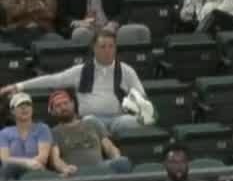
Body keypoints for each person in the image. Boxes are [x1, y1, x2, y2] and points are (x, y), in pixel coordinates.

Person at [2, 28, 150, 134]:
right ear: (94, 48)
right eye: (103, 46)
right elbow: (53, 80)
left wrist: (137, 107)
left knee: (137, 121)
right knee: (90, 122)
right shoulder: (80, 71)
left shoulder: (126, 70)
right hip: (92, 120)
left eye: (111, 46)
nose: (107, 50)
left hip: (118, 120)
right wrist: (19, 86)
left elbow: (142, 97)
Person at [47, 90, 132, 176]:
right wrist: (65, 168)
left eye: (66, 103)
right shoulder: (54, 132)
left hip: (101, 168)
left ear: (73, 103)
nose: (63, 107)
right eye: (58, 106)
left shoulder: (92, 123)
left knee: (122, 162)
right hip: (77, 171)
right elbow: (55, 159)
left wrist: (116, 158)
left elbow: (109, 147)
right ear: (53, 111)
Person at [0, 92, 52, 180]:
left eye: (27, 104)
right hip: (11, 173)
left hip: (36, 171)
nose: (24, 108)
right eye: (20, 105)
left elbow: (43, 157)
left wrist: (32, 164)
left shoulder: (42, 128)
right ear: (12, 111)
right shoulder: (4, 133)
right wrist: (27, 162)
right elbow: (5, 160)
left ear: (32, 108)